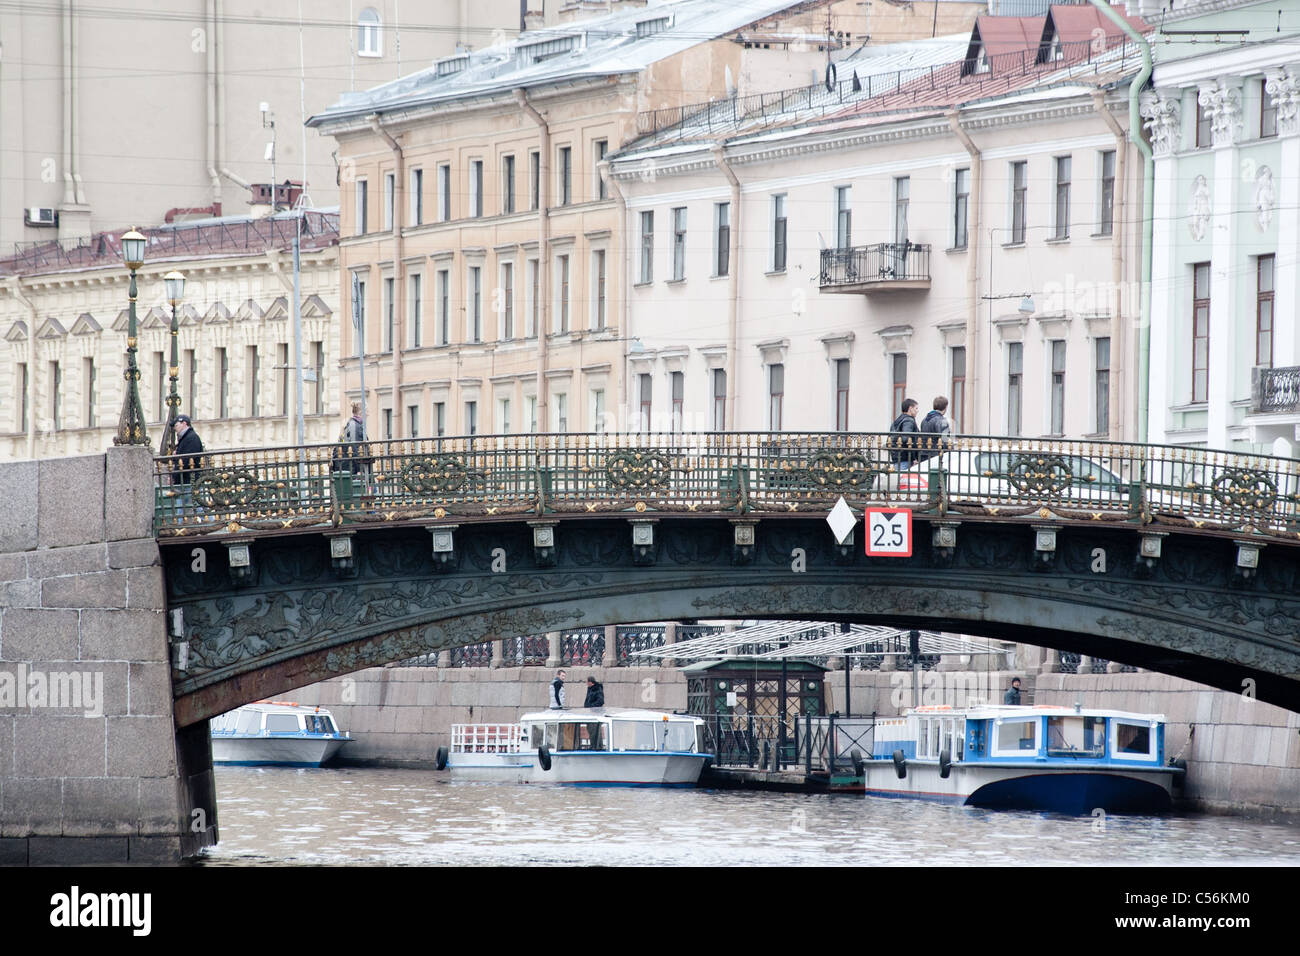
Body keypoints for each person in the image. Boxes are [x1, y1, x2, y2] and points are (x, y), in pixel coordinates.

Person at [172, 415, 204, 513]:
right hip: (187, 478)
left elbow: (185, 460)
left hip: (189, 478)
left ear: (184, 424)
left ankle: (209, 523)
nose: (175, 428)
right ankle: (179, 525)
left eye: (176, 425)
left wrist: (174, 475)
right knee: (186, 505)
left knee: (195, 505)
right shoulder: (187, 437)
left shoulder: (191, 438)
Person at [888, 398, 921, 465]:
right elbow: (906, 439)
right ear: (910, 408)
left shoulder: (898, 420)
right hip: (905, 459)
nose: (918, 411)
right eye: (916, 408)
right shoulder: (908, 421)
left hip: (897, 457)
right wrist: (913, 458)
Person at [918, 396, 952, 462]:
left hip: (924, 454)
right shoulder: (942, 420)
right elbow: (945, 439)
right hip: (936, 455)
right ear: (945, 407)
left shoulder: (924, 420)